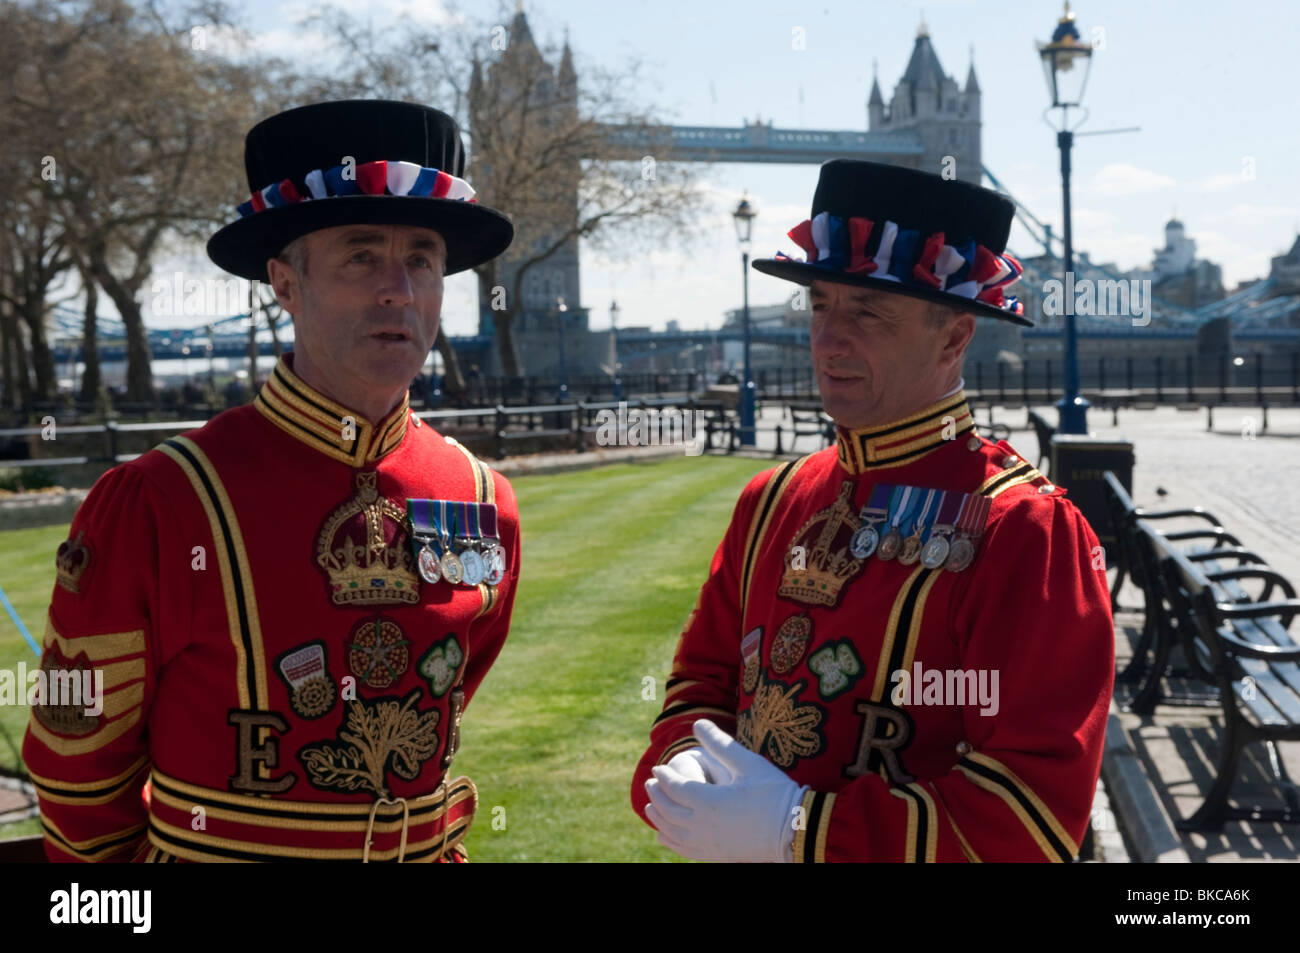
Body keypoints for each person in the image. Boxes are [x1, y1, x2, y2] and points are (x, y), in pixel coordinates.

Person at [23, 100, 520, 863]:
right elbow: (74, 778)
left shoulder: (482, 498)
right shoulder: (159, 500)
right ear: (285, 284)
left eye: (422, 257)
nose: (399, 288)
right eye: (361, 255)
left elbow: (441, 698)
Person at [632, 160, 1114, 862]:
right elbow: (701, 682)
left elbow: (1031, 812)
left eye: (868, 311)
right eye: (821, 304)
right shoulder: (769, 499)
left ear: (954, 336)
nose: (829, 339)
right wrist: (688, 768)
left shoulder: (1026, 529)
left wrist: (799, 828)